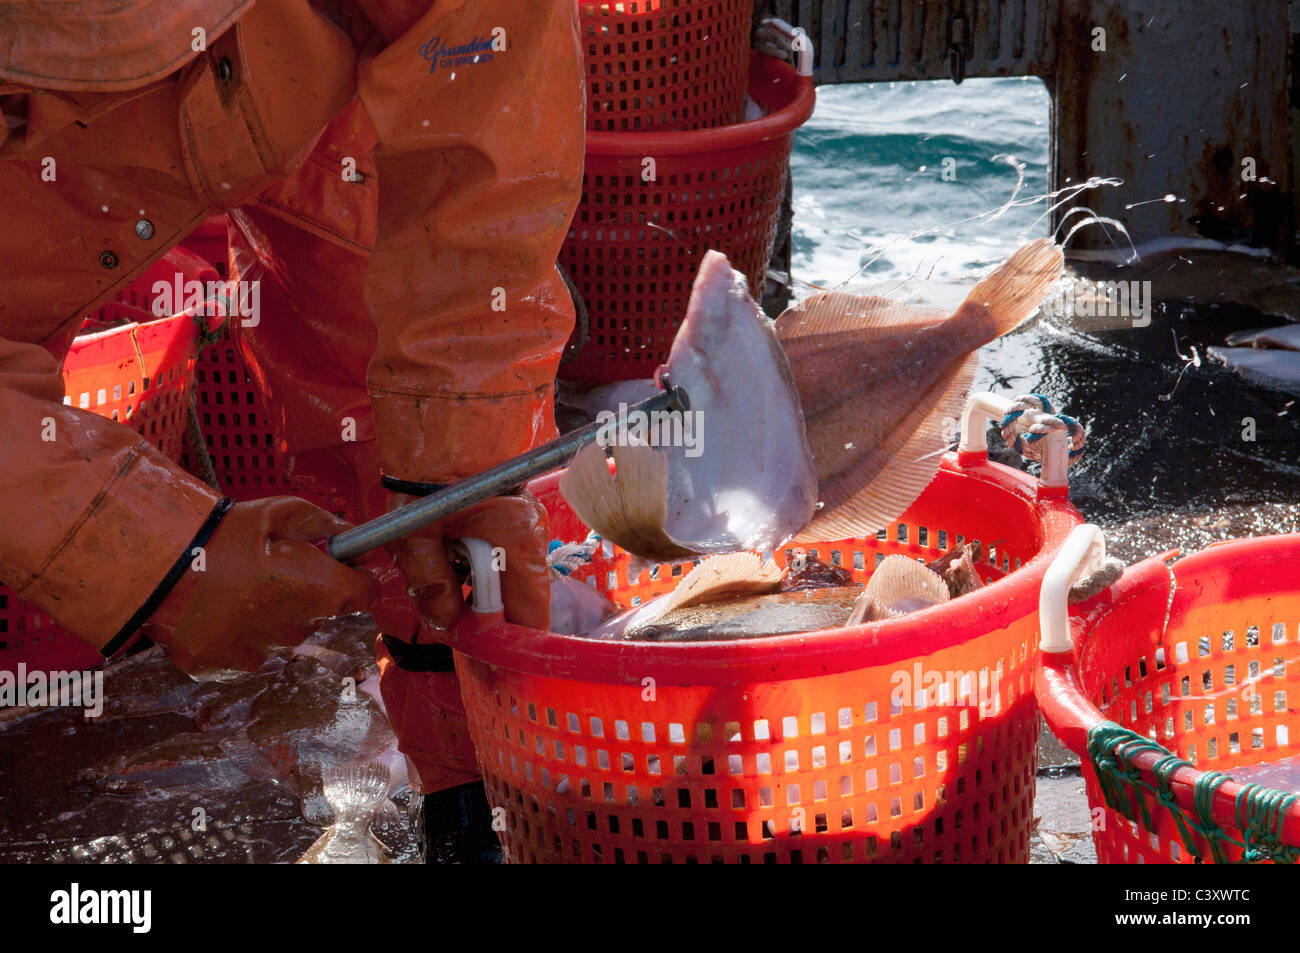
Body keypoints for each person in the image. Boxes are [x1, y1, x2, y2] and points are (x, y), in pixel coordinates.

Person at [0, 0, 583, 860]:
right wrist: (159, 560)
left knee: (426, 485)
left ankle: (474, 789)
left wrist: (465, 456)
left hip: (295, 87)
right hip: (58, 174)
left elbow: (492, 48)